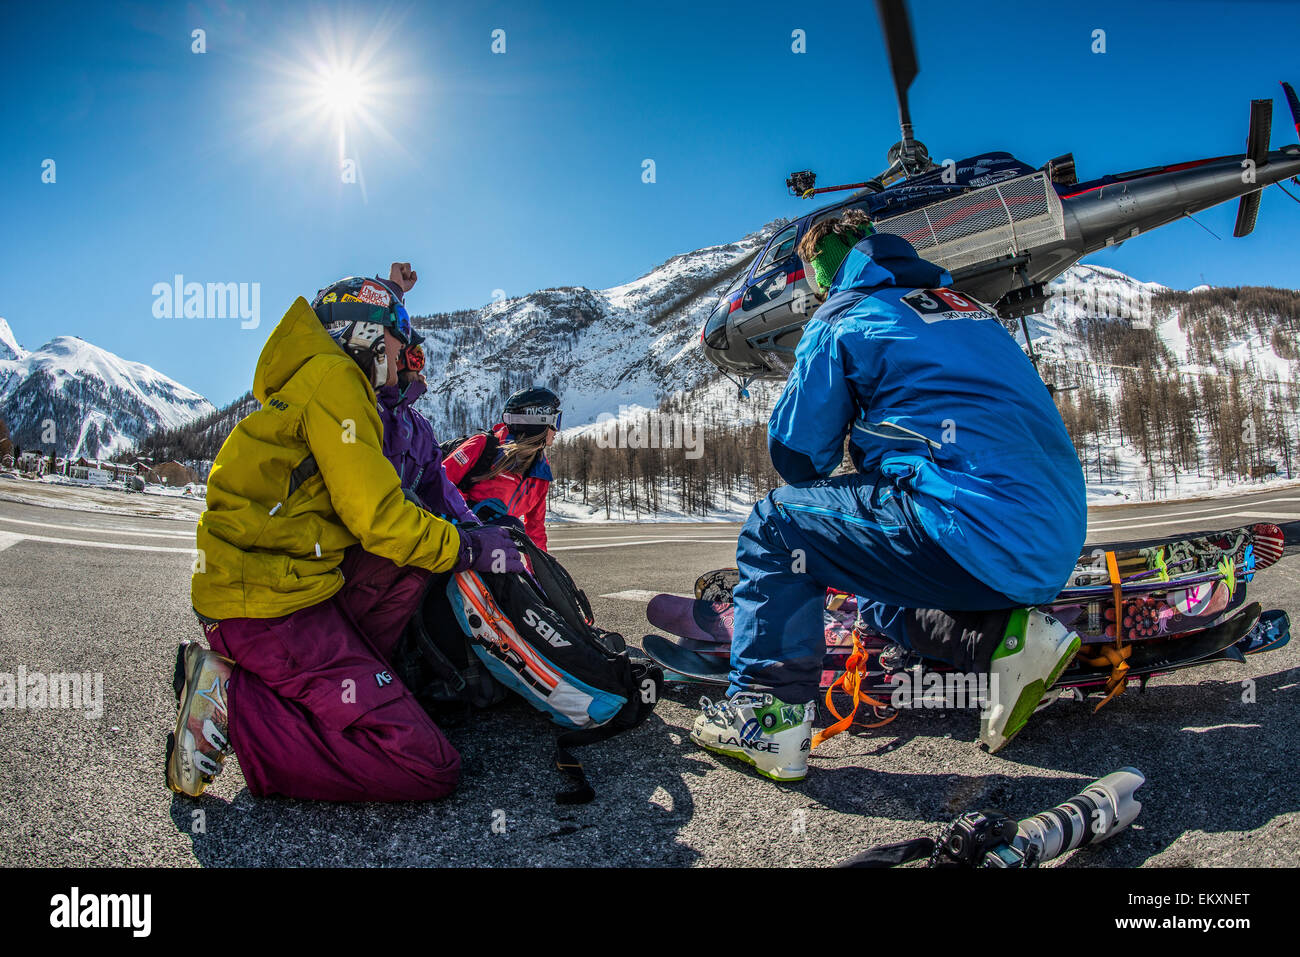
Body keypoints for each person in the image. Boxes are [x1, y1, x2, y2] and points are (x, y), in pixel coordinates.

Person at [691, 213, 1089, 782]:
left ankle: (765, 717)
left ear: (821, 275)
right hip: (1050, 536)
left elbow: (799, 459)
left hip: (967, 522)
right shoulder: (969, 309)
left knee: (774, 526)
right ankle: (1001, 642)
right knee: (875, 591)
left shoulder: (845, 314)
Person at [166, 263, 525, 801]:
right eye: (397, 334)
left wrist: (465, 537)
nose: (404, 350)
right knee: (427, 767)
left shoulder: (325, 376)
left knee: (412, 560)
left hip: (287, 585)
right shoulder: (337, 379)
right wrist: (472, 546)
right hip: (267, 606)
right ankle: (232, 700)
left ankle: (324, 695)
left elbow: (399, 516)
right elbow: (378, 518)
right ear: (363, 333)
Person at [376, 335, 480, 526]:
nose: (422, 370)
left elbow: (439, 487)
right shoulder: (369, 410)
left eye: (420, 358)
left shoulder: (419, 426)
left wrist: (475, 529)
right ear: (395, 360)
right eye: (415, 359)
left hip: (406, 535)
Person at [443, 387, 560, 551]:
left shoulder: (540, 474)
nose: (556, 431)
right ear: (537, 423)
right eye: (555, 422)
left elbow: (536, 532)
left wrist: (541, 572)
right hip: (454, 542)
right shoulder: (483, 446)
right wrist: (471, 510)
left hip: (494, 552)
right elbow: (437, 482)